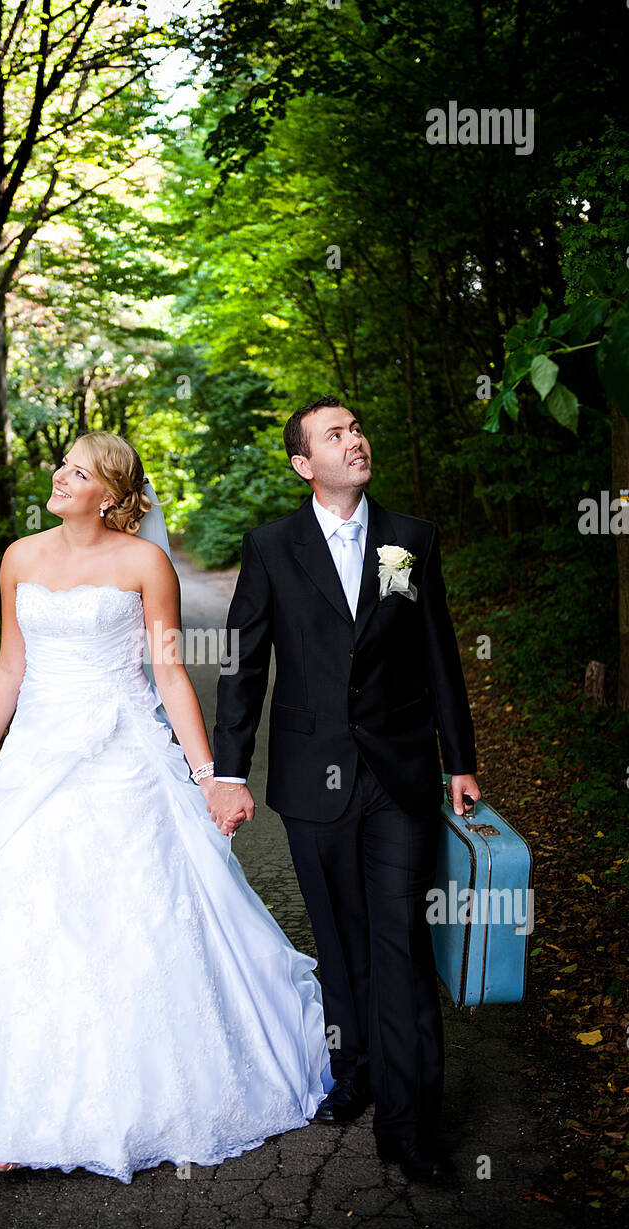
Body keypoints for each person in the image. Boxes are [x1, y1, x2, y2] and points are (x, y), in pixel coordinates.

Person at [0, 430, 332, 1182]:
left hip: (124, 759)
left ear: (112, 495)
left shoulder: (143, 563)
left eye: (80, 471)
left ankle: (141, 1098)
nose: (61, 477)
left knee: (131, 917)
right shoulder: (20, 557)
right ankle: (17, 1109)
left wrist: (209, 774)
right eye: (61, 464)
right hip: (36, 762)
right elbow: (9, 665)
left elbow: (168, 674)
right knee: (29, 920)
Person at [205, 396, 480, 1185]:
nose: (355, 439)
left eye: (358, 427)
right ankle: (352, 1069)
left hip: (398, 775)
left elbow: (439, 654)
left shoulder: (410, 540)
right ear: (305, 464)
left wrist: (457, 758)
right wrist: (229, 772)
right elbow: (245, 664)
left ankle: (412, 1126)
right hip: (310, 777)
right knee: (340, 942)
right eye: (335, 434)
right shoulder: (271, 547)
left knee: (399, 943)